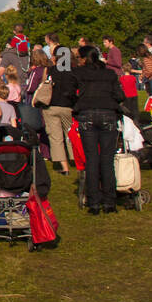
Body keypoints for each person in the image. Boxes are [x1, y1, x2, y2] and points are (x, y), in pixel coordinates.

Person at [72, 45, 126, 214]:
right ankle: (109, 202)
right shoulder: (109, 74)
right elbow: (120, 95)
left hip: (87, 114)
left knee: (91, 159)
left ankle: (94, 202)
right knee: (107, 159)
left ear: (83, 59)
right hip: (108, 113)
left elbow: (70, 92)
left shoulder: (79, 73)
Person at [43, 44, 77, 175]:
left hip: (52, 105)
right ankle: (74, 159)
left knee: (56, 137)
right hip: (67, 106)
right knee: (70, 135)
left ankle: (63, 166)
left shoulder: (51, 70)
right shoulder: (73, 72)